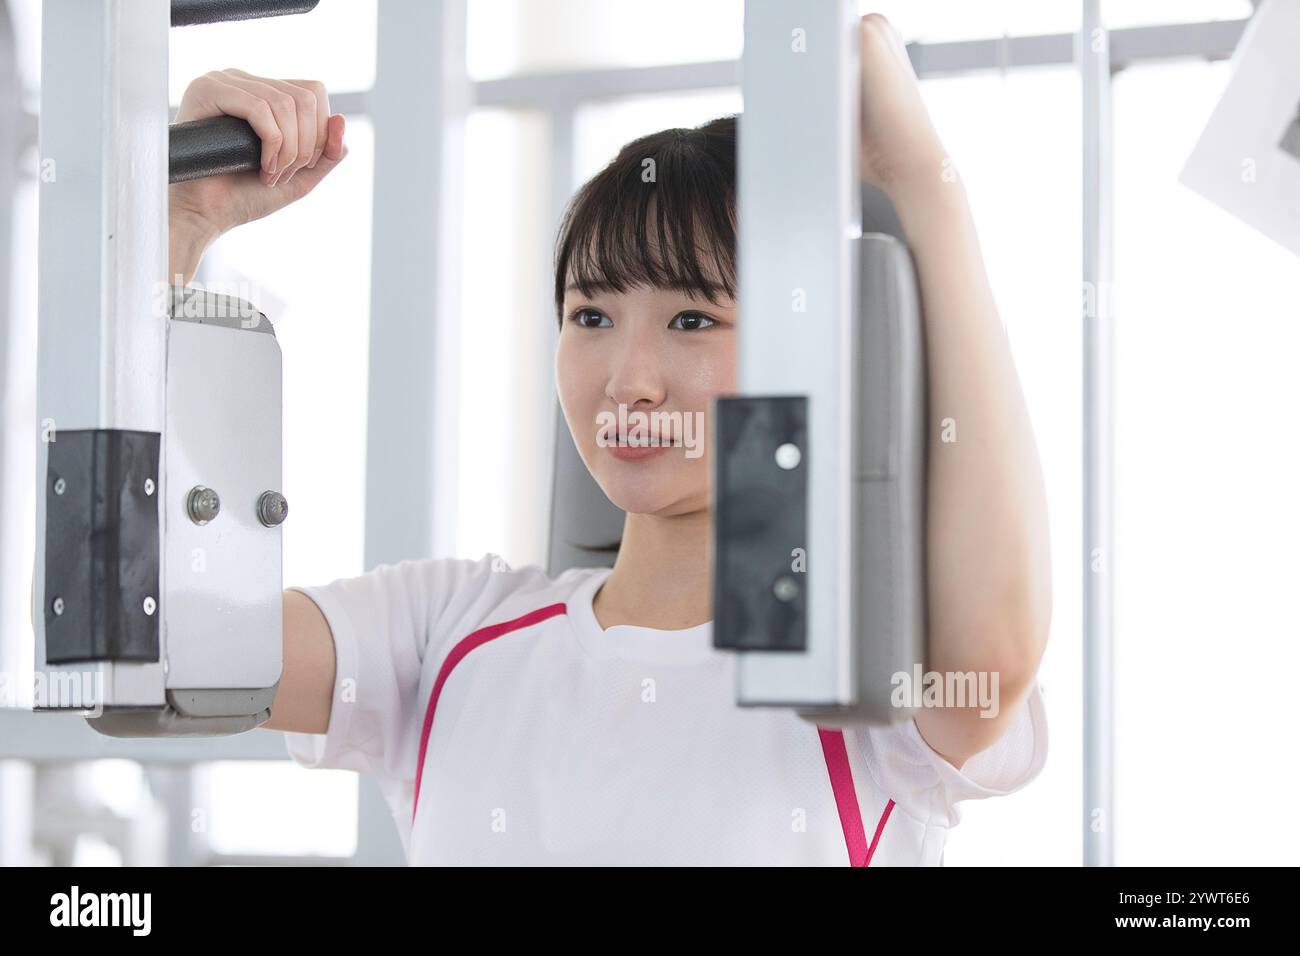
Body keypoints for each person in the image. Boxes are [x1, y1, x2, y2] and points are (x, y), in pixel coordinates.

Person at [166, 15, 1051, 866]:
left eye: (693, 317)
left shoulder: (857, 664)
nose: (629, 378)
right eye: (590, 313)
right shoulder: (446, 633)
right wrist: (176, 226)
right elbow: (156, 634)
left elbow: (996, 653)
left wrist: (924, 182)